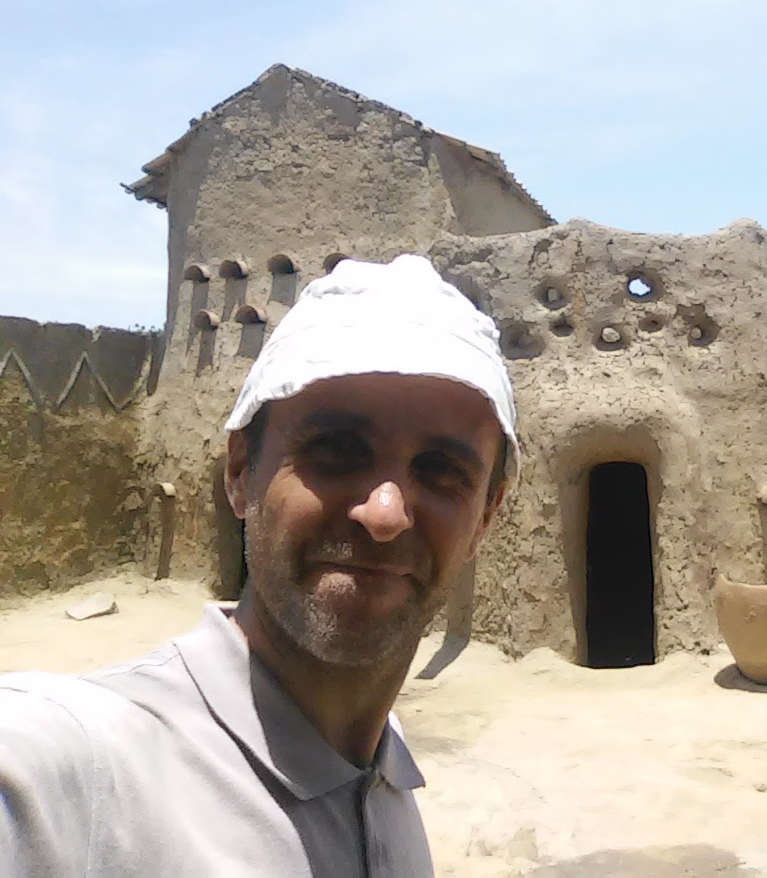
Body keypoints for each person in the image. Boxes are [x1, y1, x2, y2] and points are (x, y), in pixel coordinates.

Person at [0, 254, 519, 876]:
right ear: (242, 471)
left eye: (441, 471)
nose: (385, 513)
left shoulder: (384, 770)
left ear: (484, 518)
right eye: (334, 450)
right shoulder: (78, 772)